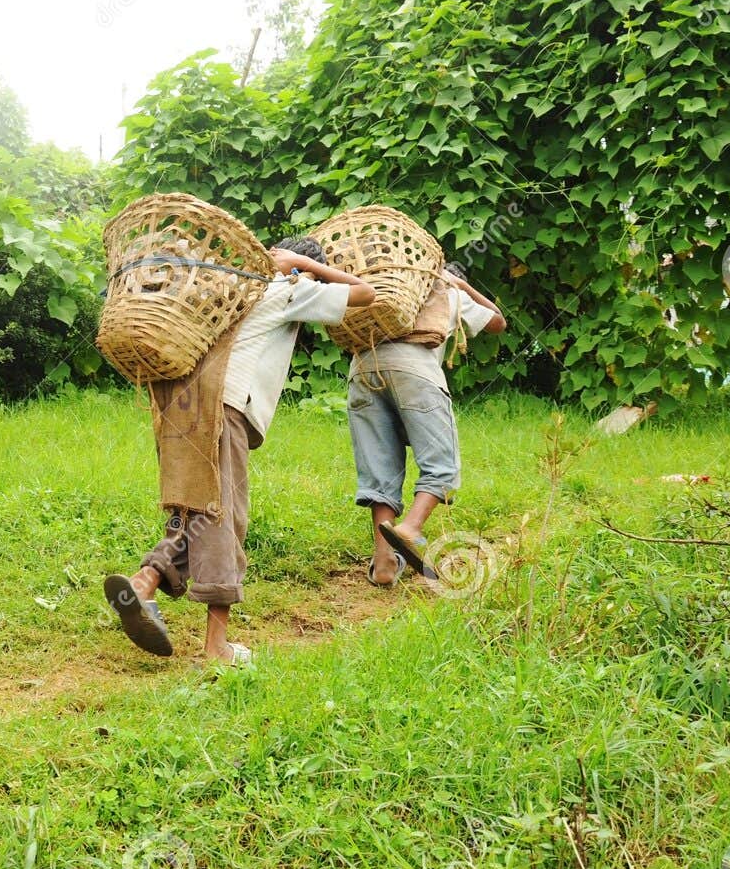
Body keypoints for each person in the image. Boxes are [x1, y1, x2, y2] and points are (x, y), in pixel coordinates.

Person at [104, 237, 375, 665]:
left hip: (184, 406)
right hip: (224, 410)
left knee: (196, 509)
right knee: (225, 518)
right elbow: (366, 293)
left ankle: (143, 582)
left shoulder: (234, 286)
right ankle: (217, 647)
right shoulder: (289, 289)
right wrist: (304, 265)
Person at [341, 257, 506, 585]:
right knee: (442, 465)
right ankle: (411, 527)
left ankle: (385, 564)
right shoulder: (448, 292)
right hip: (415, 371)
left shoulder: (388, 292)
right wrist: (462, 286)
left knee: (381, 468)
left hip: (362, 368)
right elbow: (499, 322)